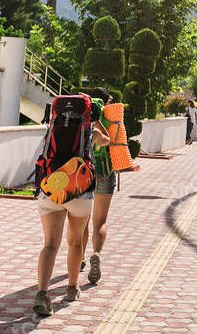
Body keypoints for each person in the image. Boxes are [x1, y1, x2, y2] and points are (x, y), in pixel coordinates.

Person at [34, 95, 109, 317]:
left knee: (50, 244)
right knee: (76, 242)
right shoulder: (90, 131)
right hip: (80, 188)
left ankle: (42, 293)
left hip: (52, 186)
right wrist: (95, 125)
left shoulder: (53, 127)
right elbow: (106, 140)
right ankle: (72, 287)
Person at [84, 88, 118, 286]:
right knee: (100, 221)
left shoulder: (85, 115)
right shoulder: (113, 119)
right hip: (105, 171)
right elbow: (118, 144)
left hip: (85, 171)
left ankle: (78, 258)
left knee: (82, 220)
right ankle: (96, 254)